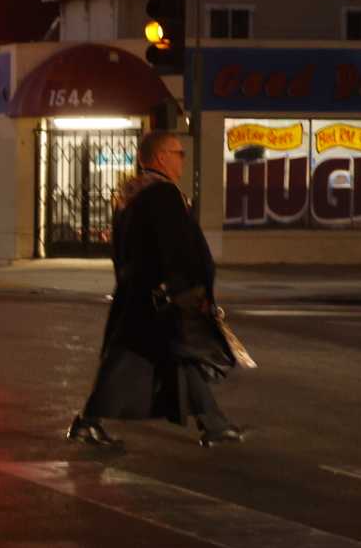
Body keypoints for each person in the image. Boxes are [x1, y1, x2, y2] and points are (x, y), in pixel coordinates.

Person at [68, 131, 244, 449]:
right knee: (136, 357)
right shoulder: (162, 194)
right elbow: (177, 248)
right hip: (160, 296)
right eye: (179, 153)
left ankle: (214, 423)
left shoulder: (131, 194)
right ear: (161, 156)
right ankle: (88, 421)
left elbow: (122, 248)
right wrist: (189, 288)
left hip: (139, 291)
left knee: (177, 355)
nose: (182, 160)